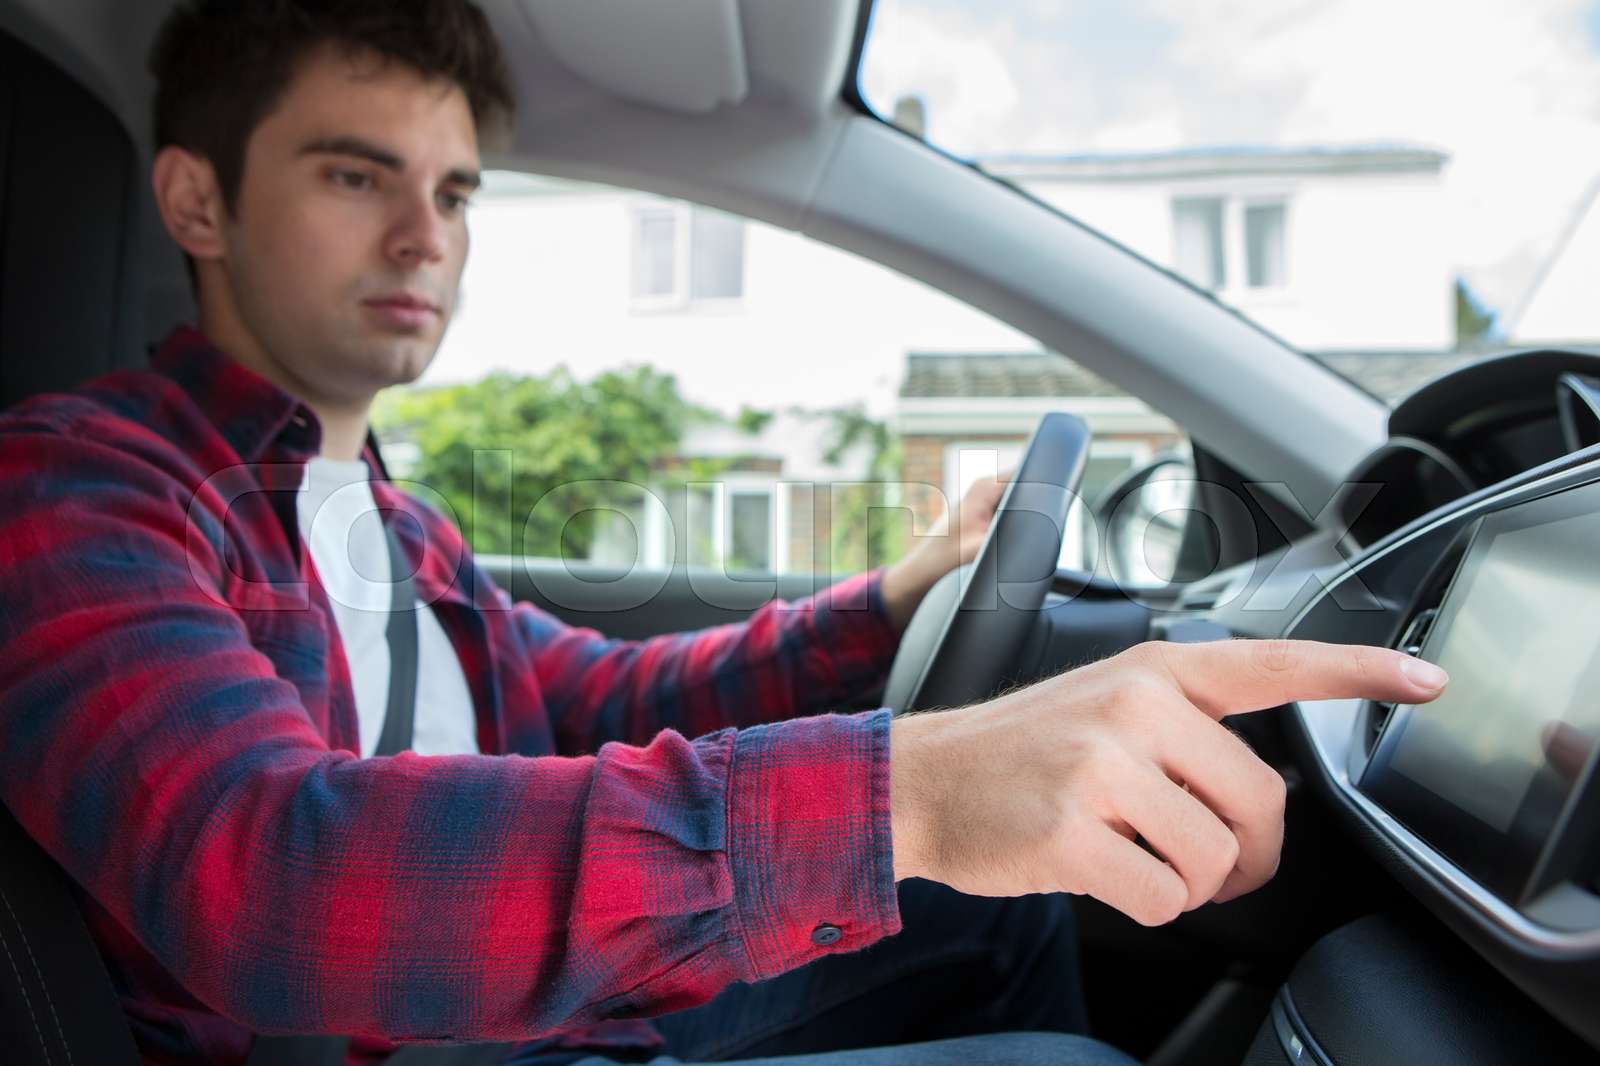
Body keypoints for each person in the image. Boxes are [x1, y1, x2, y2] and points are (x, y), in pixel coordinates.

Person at [0, 2, 1449, 1065]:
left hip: (509, 1010)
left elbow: (592, 697)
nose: (424, 235)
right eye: (353, 173)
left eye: (451, 190)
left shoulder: (394, 522)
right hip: (388, 1040)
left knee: (997, 917)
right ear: (198, 199)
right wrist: (911, 795)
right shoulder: (78, 490)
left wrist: (887, 601)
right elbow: (274, 875)